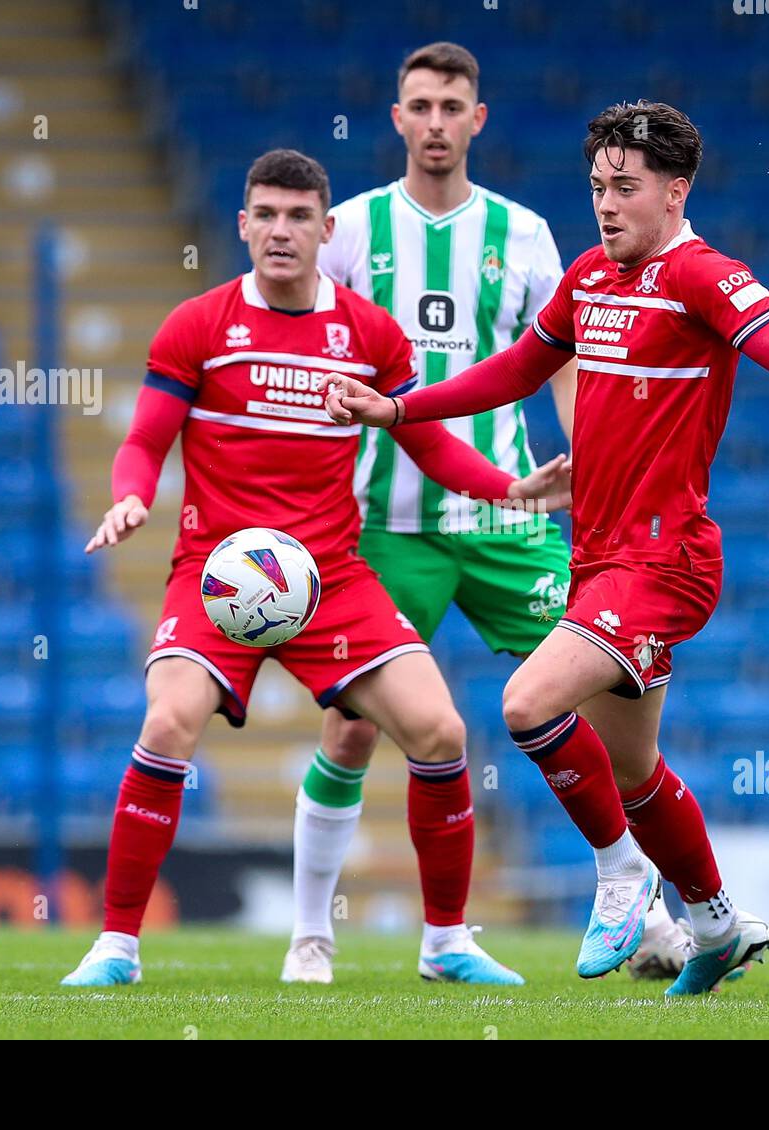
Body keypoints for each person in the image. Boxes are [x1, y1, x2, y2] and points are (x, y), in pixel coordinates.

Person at [326, 101, 769, 996]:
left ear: (676, 190)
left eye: (626, 187)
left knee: (527, 704)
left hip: (666, 562)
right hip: (599, 562)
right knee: (636, 769)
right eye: (597, 186)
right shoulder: (588, 279)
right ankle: (718, 923)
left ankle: (617, 874)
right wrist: (398, 407)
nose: (605, 204)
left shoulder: (704, 278)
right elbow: (515, 374)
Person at [60, 148, 570, 988]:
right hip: (219, 577)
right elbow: (146, 438)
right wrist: (131, 495)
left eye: (299, 217)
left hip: (329, 572)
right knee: (165, 725)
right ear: (243, 225)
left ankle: (444, 942)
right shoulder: (199, 325)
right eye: (265, 215)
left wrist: (511, 489)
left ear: (326, 229)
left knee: (440, 732)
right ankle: (115, 946)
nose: (281, 231)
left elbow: (429, 443)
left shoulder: (369, 334)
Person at [283, 41, 691, 985]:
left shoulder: (528, 235)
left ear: (478, 119)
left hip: (513, 518)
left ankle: (642, 900)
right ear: (397, 118)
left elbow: (565, 365)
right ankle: (312, 934)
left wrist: (593, 471)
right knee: (350, 727)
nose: (434, 122)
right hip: (385, 525)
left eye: (450, 106)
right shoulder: (347, 230)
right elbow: (311, 354)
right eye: (418, 105)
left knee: (598, 694)